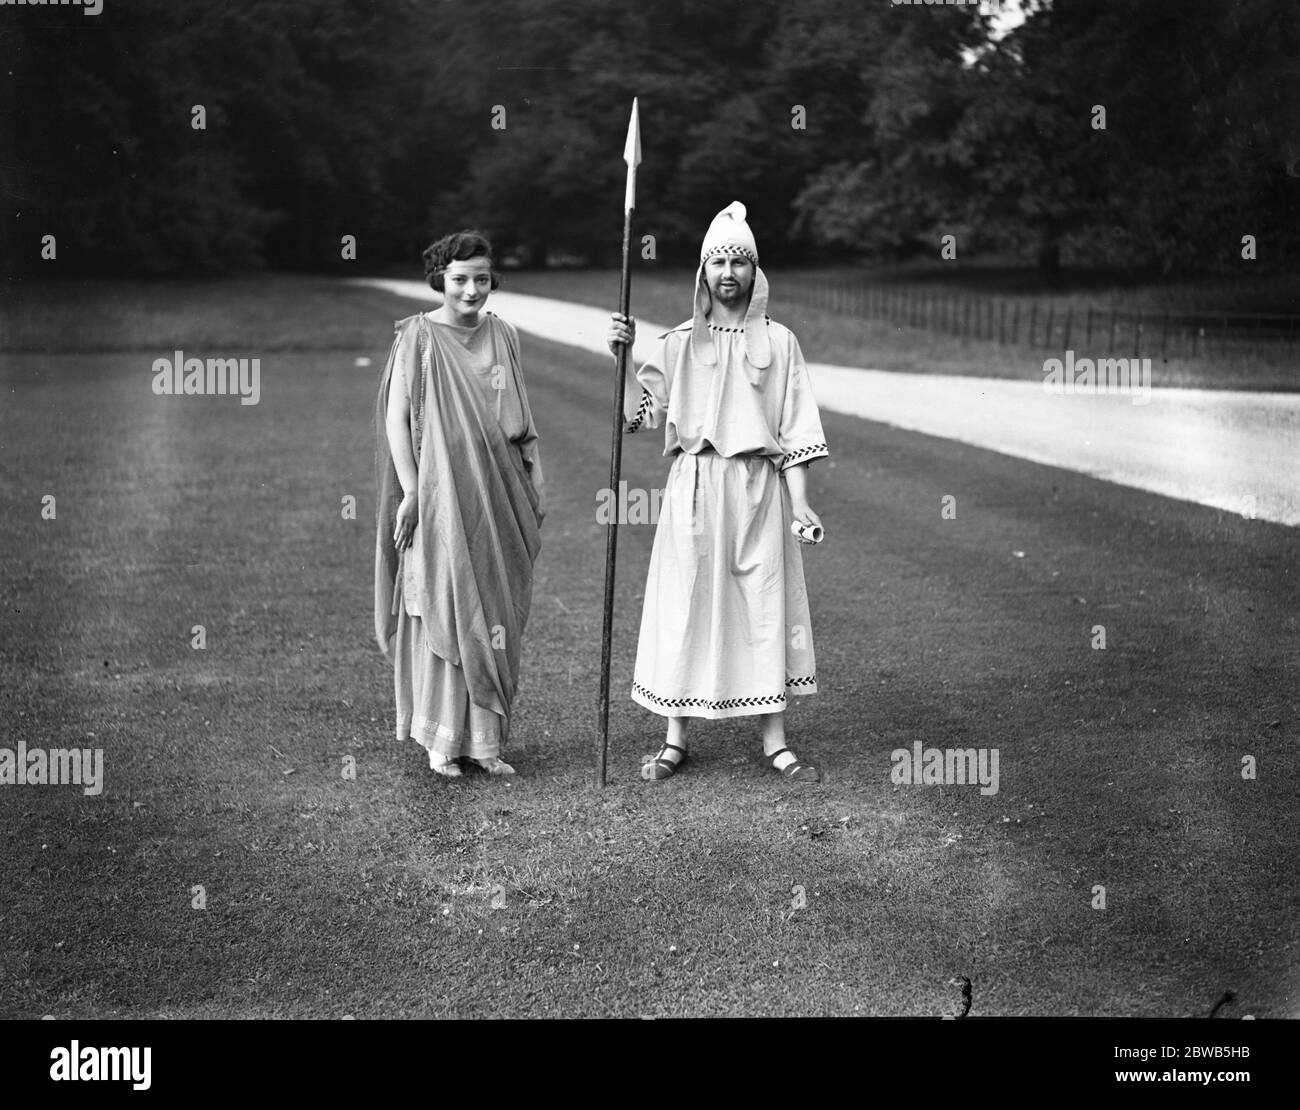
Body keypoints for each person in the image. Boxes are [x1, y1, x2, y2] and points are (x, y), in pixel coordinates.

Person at [605, 201, 828, 782]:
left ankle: (775, 741)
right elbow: (637, 420)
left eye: (739, 263)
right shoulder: (678, 342)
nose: (728, 273)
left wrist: (800, 503)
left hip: (759, 492)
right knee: (687, 606)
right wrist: (625, 358)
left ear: (756, 274)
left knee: (763, 606)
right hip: (696, 489)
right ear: (702, 273)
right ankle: (675, 738)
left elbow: (797, 432)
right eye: (718, 263)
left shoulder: (781, 343)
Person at [375, 230, 544, 777]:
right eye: (459, 279)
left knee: (492, 609)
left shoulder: (505, 335)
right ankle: (441, 740)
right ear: (439, 280)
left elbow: (520, 420)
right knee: (446, 605)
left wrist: (533, 484)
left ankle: (486, 744)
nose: (472, 290)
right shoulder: (418, 336)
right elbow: (397, 420)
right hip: (439, 494)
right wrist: (413, 492)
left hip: (497, 492)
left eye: (481, 279)